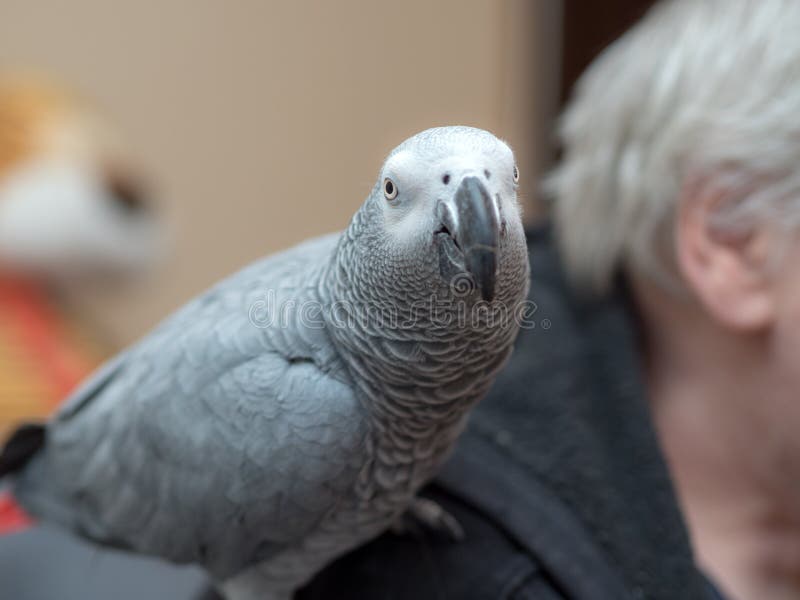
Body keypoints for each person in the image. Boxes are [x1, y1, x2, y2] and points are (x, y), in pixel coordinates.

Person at [1, 0, 795, 598]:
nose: (469, 204)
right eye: (396, 194)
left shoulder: (474, 338)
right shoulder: (305, 398)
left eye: (502, 184)